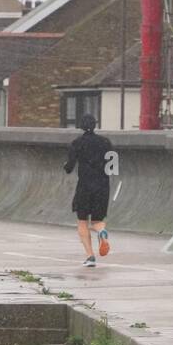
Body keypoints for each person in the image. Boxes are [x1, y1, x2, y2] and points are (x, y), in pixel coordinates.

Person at [63, 113, 113, 267]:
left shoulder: (77, 143)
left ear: (81, 126)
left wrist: (66, 165)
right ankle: (102, 234)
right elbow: (113, 166)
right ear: (95, 125)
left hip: (85, 186)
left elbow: (69, 168)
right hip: (103, 186)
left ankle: (90, 256)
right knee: (97, 221)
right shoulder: (106, 143)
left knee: (82, 221)